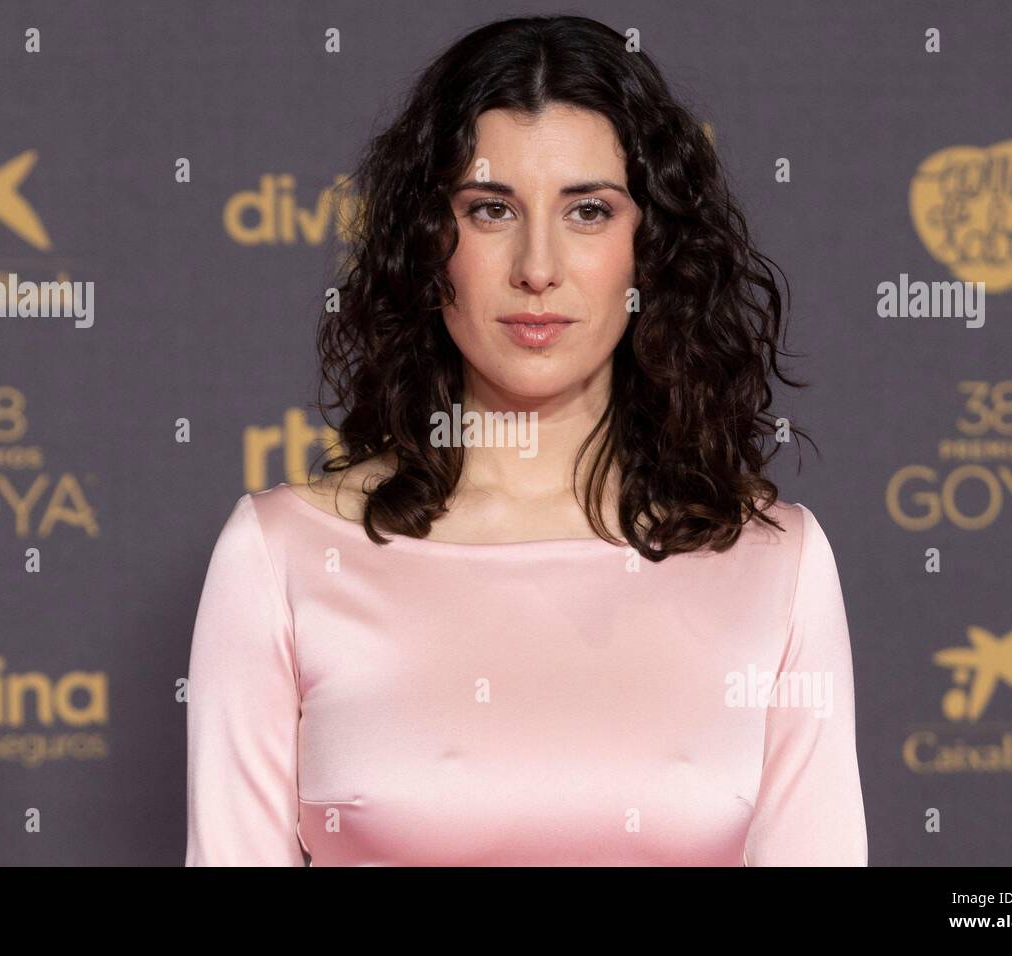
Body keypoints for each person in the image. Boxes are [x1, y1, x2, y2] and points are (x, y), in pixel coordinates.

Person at [185, 14, 866, 866]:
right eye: (490, 209)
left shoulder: (775, 564)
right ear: (429, 244)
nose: (537, 266)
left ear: (646, 248)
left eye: (587, 209)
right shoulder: (280, 559)